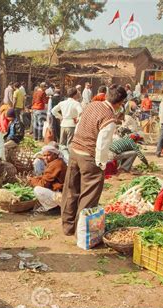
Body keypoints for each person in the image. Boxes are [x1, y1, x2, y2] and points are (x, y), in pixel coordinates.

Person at [61, 84, 127, 236]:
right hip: (89, 156)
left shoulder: (92, 105)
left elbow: (78, 127)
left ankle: (68, 227)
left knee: (71, 190)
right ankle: (81, 231)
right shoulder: (109, 118)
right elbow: (102, 145)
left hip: (75, 151)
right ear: (119, 103)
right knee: (88, 196)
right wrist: (101, 165)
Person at [29, 145, 67, 212]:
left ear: (55, 155)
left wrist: (32, 180)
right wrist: (36, 178)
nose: (46, 158)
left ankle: (53, 207)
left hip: (61, 194)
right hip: (61, 192)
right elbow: (47, 177)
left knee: (38, 190)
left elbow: (44, 184)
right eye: (44, 155)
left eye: (48, 155)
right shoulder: (57, 162)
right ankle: (54, 205)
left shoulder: (56, 164)